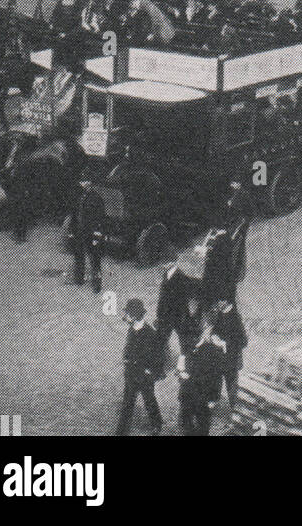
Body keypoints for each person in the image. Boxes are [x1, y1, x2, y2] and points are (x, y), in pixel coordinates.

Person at [115, 298, 164, 436]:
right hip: (131, 373)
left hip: (144, 375)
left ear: (135, 315)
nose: (126, 317)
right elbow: (128, 348)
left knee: (149, 399)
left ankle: (157, 423)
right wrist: (126, 359)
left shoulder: (150, 333)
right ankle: (121, 432)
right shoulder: (131, 330)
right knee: (127, 404)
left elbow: (157, 355)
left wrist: (151, 371)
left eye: (129, 314)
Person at [177, 317, 226, 436]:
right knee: (185, 424)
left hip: (204, 397)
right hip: (187, 395)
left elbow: (217, 378)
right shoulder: (187, 349)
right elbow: (180, 369)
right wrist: (180, 373)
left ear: (200, 336)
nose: (189, 339)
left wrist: (214, 399)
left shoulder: (213, 351)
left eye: (192, 336)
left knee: (203, 427)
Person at [156, 262, 200, 357]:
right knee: (160, 339)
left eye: (165, 262)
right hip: (166, 314)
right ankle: (159, 360)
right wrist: (159, 313)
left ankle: (186, 363)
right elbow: (162, 297)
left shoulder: (181, 277)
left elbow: (188, 296)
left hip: (179, 316)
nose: (162, 264)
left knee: (185, 341)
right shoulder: (166, 274)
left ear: (172, 263)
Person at [211, 297, 248, 408]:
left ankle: (235, 407)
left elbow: (243, 341)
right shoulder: (221, 314)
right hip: (220, 357)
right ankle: (214, 401)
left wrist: (225, 343)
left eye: (219, 301)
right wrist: (214, 337)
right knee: (216, 380)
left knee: (231, 384)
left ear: (226, 301)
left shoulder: (235, 317)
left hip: (232, 359)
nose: (217, 303)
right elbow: (215, 330)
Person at [71, 176, 105, 293]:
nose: (81, 184)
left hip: (91, 232)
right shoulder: (80, 196)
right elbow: (74, 214)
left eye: (84, 181)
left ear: (89, 183)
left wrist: (97, 234)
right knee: (79, 255)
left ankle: (97, 284)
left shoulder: (96, 198)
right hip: (80, 231)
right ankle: (79, 279)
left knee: (95, 258)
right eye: (81, 181)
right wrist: (72, 230)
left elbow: (100, 218)